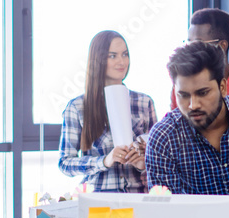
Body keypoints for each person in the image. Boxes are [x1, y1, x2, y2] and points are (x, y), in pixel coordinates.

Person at [145, 41, 229, 195]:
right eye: (183, 95)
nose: (193, 105)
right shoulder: (164, 138)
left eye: (203, 93)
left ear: (222, 88)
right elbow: (165, 210)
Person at [59, 30, 157, 193]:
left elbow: (159, 158)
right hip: (99, 201)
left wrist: (142, 164)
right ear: (98, 60)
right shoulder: (77, 107)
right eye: (113, 56)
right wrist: (104, 160)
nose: (122, 61)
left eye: (125, 54)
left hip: (138, 198)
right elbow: (65, 163)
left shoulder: (144, 102)